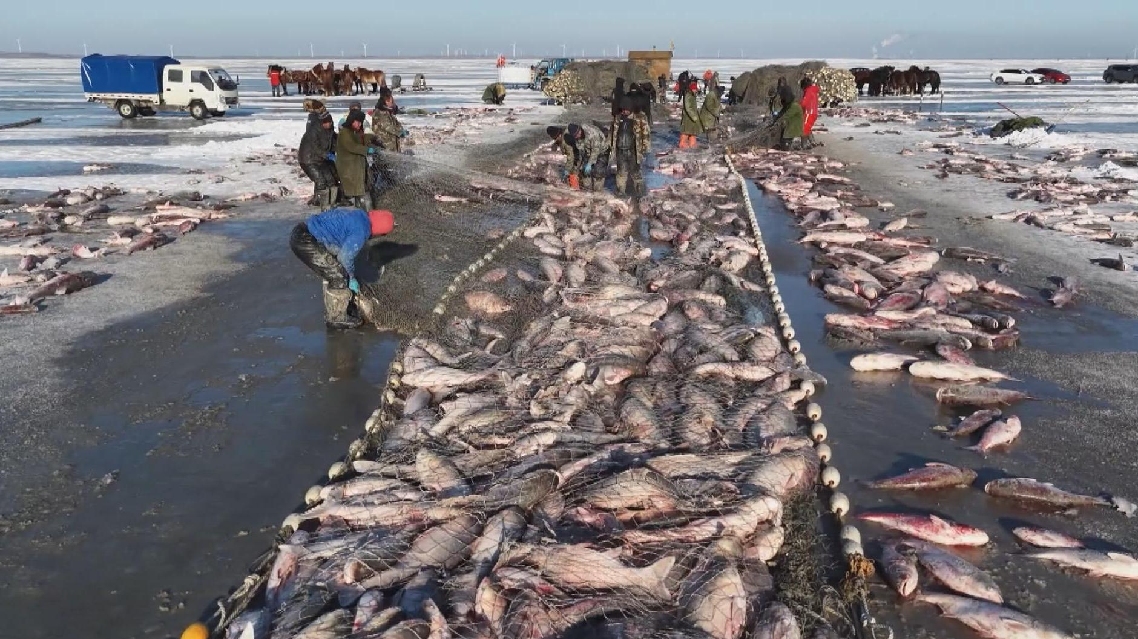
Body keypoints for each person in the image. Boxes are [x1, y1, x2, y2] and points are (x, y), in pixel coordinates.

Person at [290, 207, 394, 329]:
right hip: (306, 240)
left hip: (302, 230)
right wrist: (351, 277)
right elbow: (344, 257)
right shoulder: (362, 230)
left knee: (332, 267)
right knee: (338, 276)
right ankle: (336, 318)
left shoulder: (358, 214)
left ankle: (336, 301)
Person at [336, 110, 379, 208]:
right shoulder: (345, 133)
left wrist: (370, 137)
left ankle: (362, 212)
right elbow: (352, 146)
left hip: (356, 167)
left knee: (360, 191)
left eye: (361, 122)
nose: (360, 124)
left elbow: (360, 139)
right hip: (350, 168)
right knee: (361, 191)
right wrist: (367, 150)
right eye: (358, 122)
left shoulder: (353, 132)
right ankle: (367, 214)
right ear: (351, 121)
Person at [610, 96, 649, 197]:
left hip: (634, 150)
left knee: (636, 173)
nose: (623, 111)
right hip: (620, 151)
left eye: (626, 109)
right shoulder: (617, 118)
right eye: (622, 109)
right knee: (621, 173)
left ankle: (640, 193)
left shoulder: (639, 117)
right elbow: (612, 133)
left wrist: (645, 148)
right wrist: (611, 147)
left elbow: (646, 133)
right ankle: (620, 193)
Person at [298, 111, 339, 207]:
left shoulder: (330, 131)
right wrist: (327, 155)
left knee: (331, 180)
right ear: (321, 122)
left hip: (321, 159)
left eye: (329, 122)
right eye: (325, 122)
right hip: (308, 159)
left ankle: (331, 202)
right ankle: (320, 203)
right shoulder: (313, 131)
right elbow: (316, 148)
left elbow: (334, 143)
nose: (328, 124)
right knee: (320, 180)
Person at [563, 123, 607, 191]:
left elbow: (595, 151)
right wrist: (576, 169)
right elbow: (581, 153)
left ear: (580, 129)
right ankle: (587, 190)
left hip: (601, 151)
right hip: (588, 151)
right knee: (585, 172)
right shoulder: (577, 138)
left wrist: (589, 163)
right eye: (575, 136)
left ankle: (597, 191)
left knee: (598, 173)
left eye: (578, 133)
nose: (578, 135)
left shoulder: (592, 134)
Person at [770, 83, 804, 150]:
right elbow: (781, 114)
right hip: (788, 131)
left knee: (785, 148)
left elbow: (785, 116)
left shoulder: (794, 106)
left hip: (793, 132)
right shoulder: (788, 105)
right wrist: (774, 119)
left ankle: (794, 145)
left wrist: (775, 123)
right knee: (782, 145)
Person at [678, 78, 703, 149]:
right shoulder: (688, 95)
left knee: (693, 132)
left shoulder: (692, 95)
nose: (696, 90)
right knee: (685, 132)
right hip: (688, 118)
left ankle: (692, 145)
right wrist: (694, 116)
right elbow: (688, 107)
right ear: (691, 89)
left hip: (692, 118)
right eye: (695, 89)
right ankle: (682, 146)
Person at [699, 73, 722, 142]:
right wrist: (716, 113)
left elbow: (716, 105)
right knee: (709, 130)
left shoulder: (715, 95)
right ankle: (710, 142)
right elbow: (709, 106)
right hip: (707, 117)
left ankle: (711, 141)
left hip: (711, 117)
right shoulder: (711, 95)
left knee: (712, 129)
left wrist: (721, 110)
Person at [800, 76, 820, 147]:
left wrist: (798, 105)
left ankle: (804, 145)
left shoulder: (808, 91)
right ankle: (812, 142)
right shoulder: (813, 90)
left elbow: (804, 103)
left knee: (803, 128)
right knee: (807, 127)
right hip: (814, 112)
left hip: (809, 112)